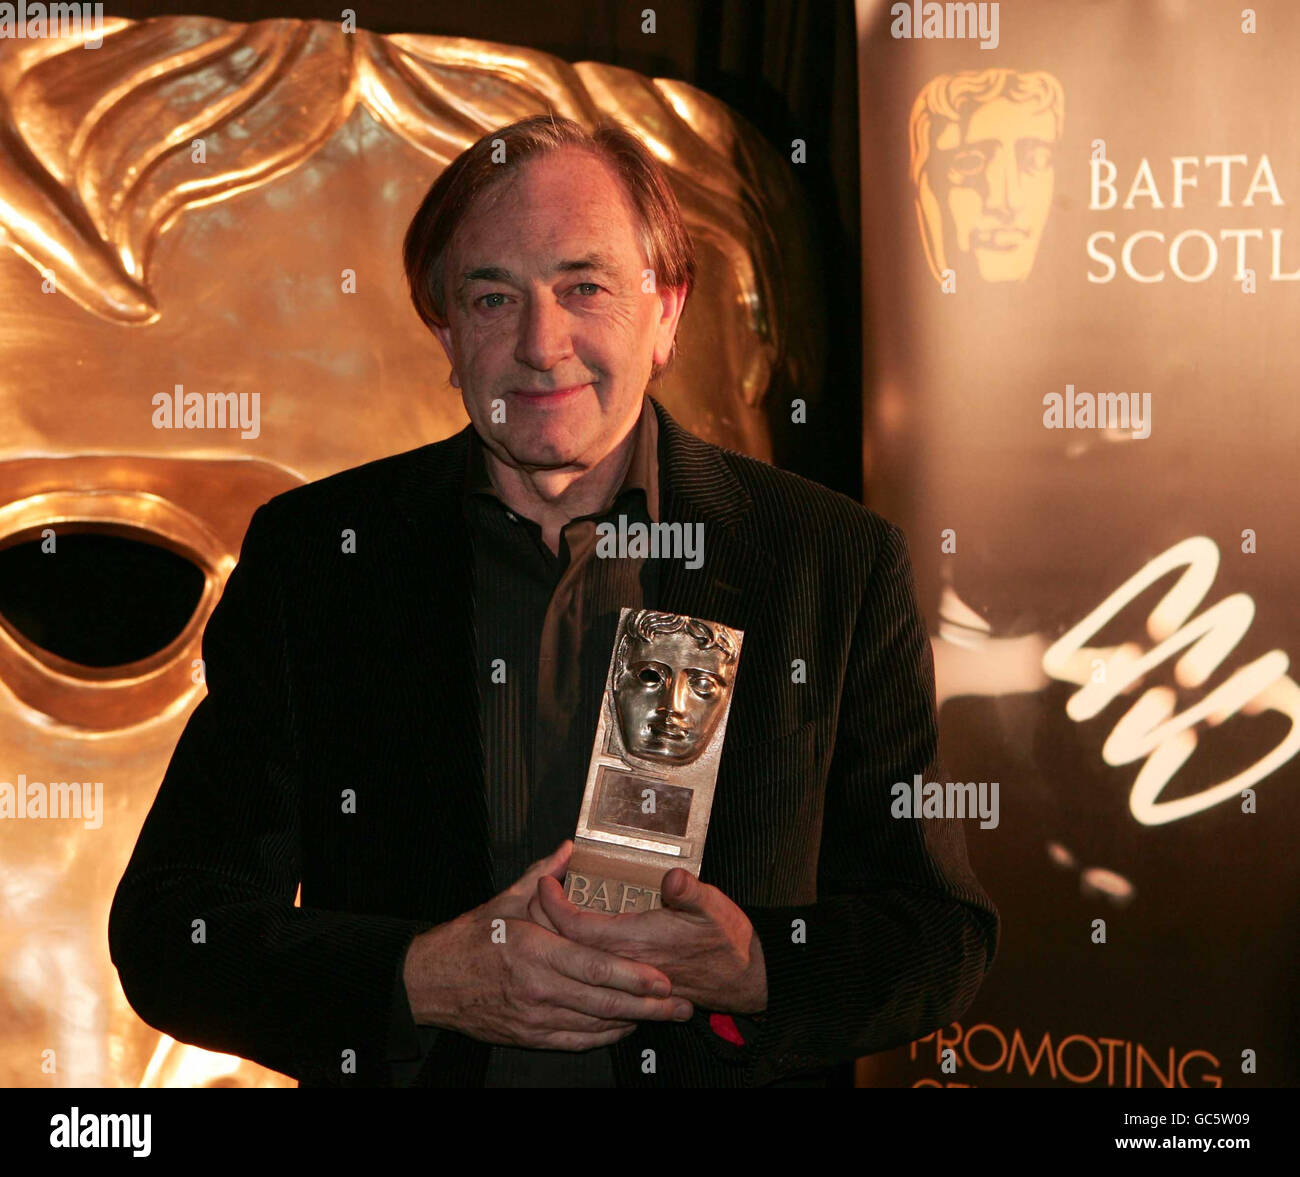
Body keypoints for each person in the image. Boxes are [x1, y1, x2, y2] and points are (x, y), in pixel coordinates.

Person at [109, 114, 999, 1088]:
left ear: (666, 311)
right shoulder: (317, 557)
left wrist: (754, 966)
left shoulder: (829, 557)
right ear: (443, 329)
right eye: (492, 297)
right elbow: (174, 929)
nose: (541, 345)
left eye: (584, 286)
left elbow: (939, 931)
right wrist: (419, 977)